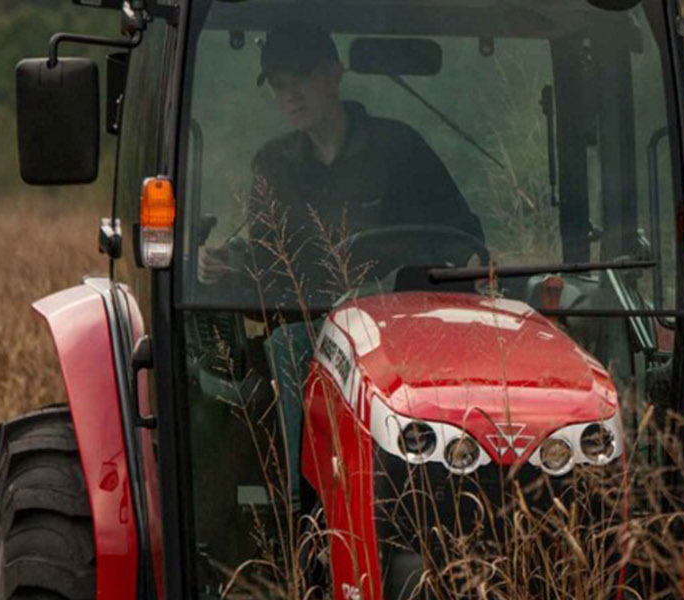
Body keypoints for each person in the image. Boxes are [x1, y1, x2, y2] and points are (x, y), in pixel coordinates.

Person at [195, 22, 484, 496]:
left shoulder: (401, 150)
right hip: (312, 331)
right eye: (280, 86)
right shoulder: (273, 166)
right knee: (288, 348)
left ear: (333, 74)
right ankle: (303, 509)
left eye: (302, 79)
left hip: (405, 327)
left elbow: (463, 238)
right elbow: (270, 265)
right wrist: (228, 264)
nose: (291, 96)